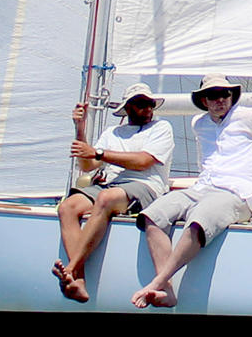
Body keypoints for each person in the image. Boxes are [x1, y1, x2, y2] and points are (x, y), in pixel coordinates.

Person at [134, 75, 252, 308]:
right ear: (204, 100)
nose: (220, 99)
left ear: (232, 96)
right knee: (152, 214)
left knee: (200, 218)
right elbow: (205, 160)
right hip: (203, 188)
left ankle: (156, 283)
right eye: (213, 95)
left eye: (225, 94)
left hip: (238, 193)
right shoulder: (199, 123)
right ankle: (166, 291)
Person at [53, 84, 170, 301]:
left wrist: (99, 153)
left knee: (106, 198)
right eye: (140, 104)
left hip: (144, 186)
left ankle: (70, 269)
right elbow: (87, 165)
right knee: (68, 206)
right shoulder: (112, 133)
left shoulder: (161, 127)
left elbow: (144, 162)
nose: (147, 109)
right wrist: (80, 128)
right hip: (111, 185)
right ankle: (78, 281)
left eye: (150, 104)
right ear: (128, 108)